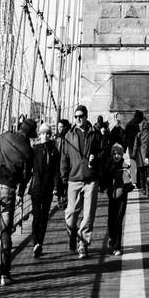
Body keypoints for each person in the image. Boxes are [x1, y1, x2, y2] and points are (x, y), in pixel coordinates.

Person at [0, 117, 37, 286]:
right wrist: (21, 190)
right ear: (31, 133)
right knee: (5, 231)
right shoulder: (29, 150)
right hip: (8, 189)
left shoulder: (4, 136)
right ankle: (5, 273)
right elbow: (27, 175)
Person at [60, 105, 102, 259]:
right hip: (73, 179)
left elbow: (103, 151)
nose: (78, 119)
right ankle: (72, 234)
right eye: (76, 116)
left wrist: (96, 158)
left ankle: (83, 244)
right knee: (70, 213)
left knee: (88, 214)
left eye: (81, 116)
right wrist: (63, 179)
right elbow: (64, 158)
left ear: (86, 116)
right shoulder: (68, 135)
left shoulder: (95, 134)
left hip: (91, 179)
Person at [30, 122, 59, 258]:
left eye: (48, 133)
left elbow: (56, 171)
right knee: (36, 216)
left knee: (44, 216)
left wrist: (56, 187)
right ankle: (35, 242)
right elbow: (27, 166)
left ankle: (40, 243)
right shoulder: (34, 149)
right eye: (43, 133)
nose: (45, 136)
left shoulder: (54, 150)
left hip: (47, 188)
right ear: (39, 135)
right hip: (36, 187)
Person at [105, 141, 134, 256]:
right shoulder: (109, 167)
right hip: (111, 196)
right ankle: (112, 237)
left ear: (122, 155)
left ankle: (117, 246)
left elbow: (131, 182)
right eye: (114, 153)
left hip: (122, 197)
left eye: (119, 154)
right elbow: (104, 179)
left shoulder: (126, 167)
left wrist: (126, 187)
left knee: (118, 220)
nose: (116, 156)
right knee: (111, 220)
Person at [133, 114, 149, 196]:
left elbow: (135, 146)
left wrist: (133, 155)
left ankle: (143, 189)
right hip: (148, 156)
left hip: (140, 156)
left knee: (141, 174)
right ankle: (148, 190)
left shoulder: (138, 134)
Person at [54, 119, 71, 206]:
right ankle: (63, 199)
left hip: (60, 161)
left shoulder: (59, 138)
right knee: (63, 181)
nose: (59, 129)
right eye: (58, 127)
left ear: (65, 127)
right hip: (64, 162)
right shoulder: (68, 137)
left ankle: (61, 199)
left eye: (61, 127)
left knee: (61, 180)